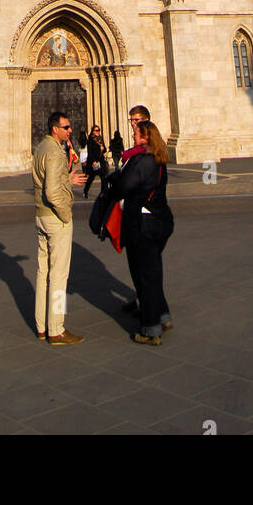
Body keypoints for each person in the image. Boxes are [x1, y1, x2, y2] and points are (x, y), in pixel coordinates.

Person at [111, 119, 174, 345]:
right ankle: (163, 315)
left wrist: (114, 184)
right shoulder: (160, 160)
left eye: (136, 133)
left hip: (144, 225)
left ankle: (151, 329)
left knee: (145, 275)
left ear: (145, 137)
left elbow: (122, 188)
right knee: (153, 272)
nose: (134, 137)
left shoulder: (142, 162)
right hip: (162, 221)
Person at [32, 111, 86, 345]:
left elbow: (46, 180)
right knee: (59, 275)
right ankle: (57, 329)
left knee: (43, 273)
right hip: (56, 218)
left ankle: (42, 326)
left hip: (40, 216)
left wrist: (67, 179)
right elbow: (52, 192)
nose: (70, 130)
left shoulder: (41, 148)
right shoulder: (55, 151)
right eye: (66, 127)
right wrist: (65, 214)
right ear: (55, 129)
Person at [83, 124, 108, 199]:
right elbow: (90, 152)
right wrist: (93, 161)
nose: (98, 132)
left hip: (101, 160)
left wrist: (103, 149)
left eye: (99, 130)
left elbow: (105, 150)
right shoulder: (90, 140)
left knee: (103, 177)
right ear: (93, 131)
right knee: (91, 177)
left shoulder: (100, 139)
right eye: (96, 130)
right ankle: (85, 191)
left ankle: (102, 193)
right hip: (94, 161)